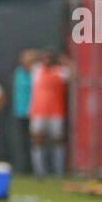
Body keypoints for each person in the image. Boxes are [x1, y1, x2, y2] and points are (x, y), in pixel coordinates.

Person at [29, 50, 71, 178]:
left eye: (49, 58)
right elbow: (27, 59)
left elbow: (74, 75)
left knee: (57, 140)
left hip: (56, 112)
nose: (47, 60)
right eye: (45, 58)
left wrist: (66, 61)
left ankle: (58, 171)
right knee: (37, 140)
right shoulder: (36, 70)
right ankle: (39, 171)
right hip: (38, 111)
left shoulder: (60, 71)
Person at [11, 50, 36, 174]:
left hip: (35, 112)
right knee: (22, 142)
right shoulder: (19, 73)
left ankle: (35, 169)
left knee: (35, 141)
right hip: (21, 112)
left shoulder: (37, 73)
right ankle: (22, 168)